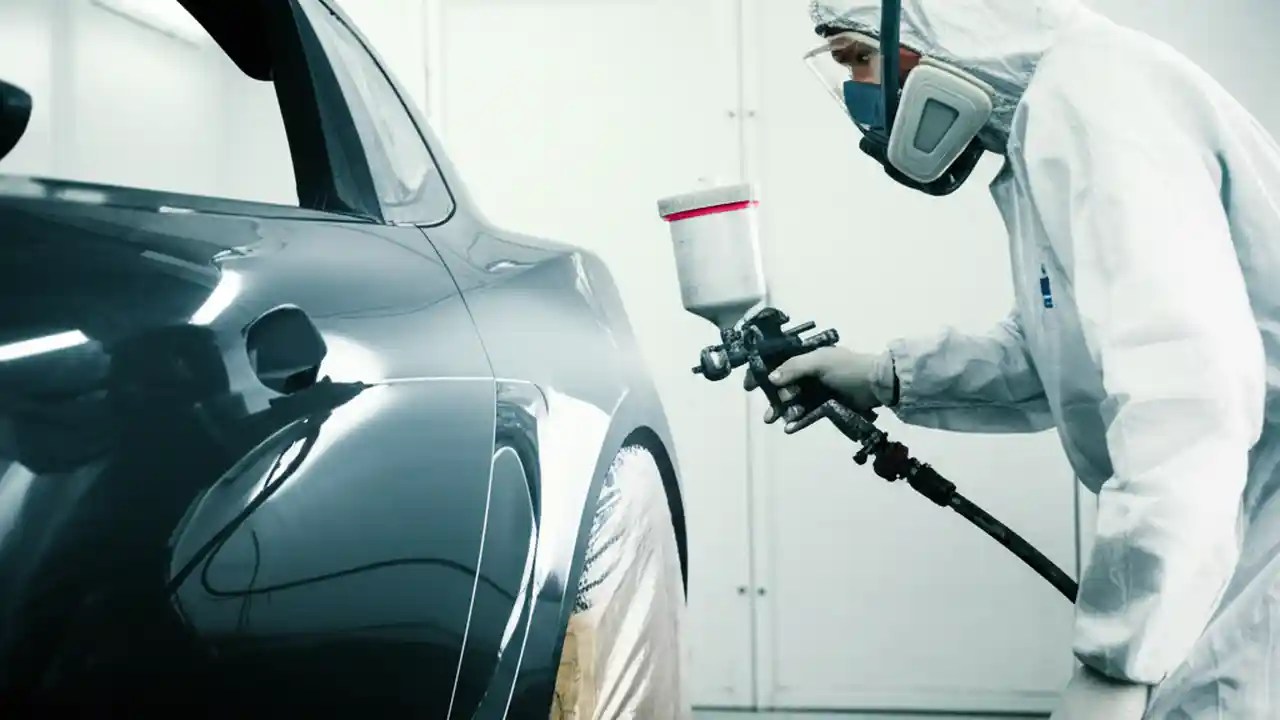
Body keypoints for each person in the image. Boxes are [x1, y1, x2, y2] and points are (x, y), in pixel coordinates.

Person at [755, 1, 1280, 717]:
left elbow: (1187, 397)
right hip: (1228, 509)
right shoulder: (1049, 116)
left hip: (1248, 505)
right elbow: (1054, 355)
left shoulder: (1096, 100)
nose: (859, 94)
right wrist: (884, 374)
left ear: (931, 21)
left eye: (856, 58)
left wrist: (1119, 662)